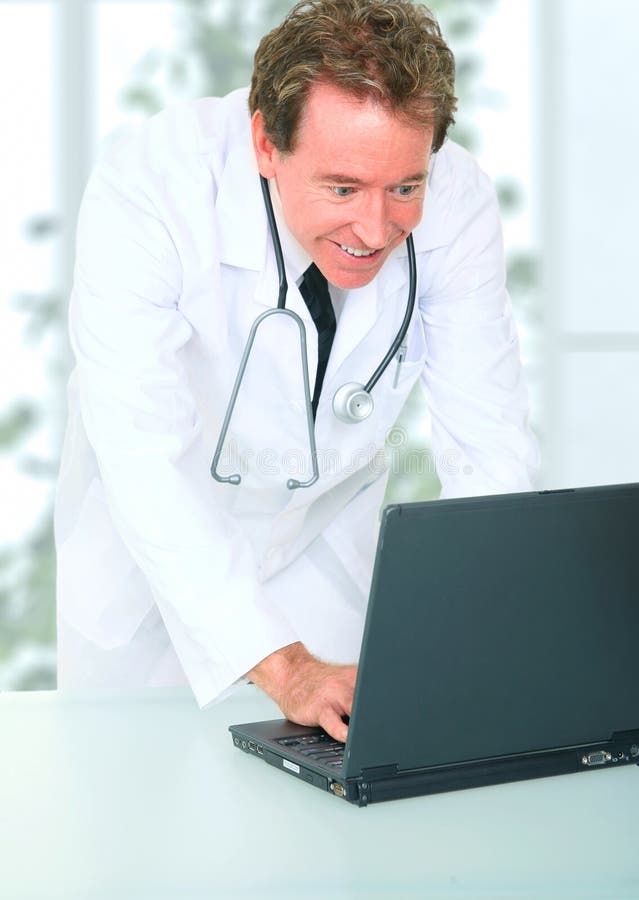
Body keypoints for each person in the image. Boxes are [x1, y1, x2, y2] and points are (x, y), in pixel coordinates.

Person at [54, 0, 539, 742]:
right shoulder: (150, 187)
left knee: (335, 810)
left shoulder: (457, 198)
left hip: (321, 554)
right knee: (138, 819)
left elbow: (490, 440)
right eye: (342, 188)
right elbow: (141, 452)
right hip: (150, 576)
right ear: (264, 143)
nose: (375, 230)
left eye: (403, 188)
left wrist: (475, 633)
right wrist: (281, 665)